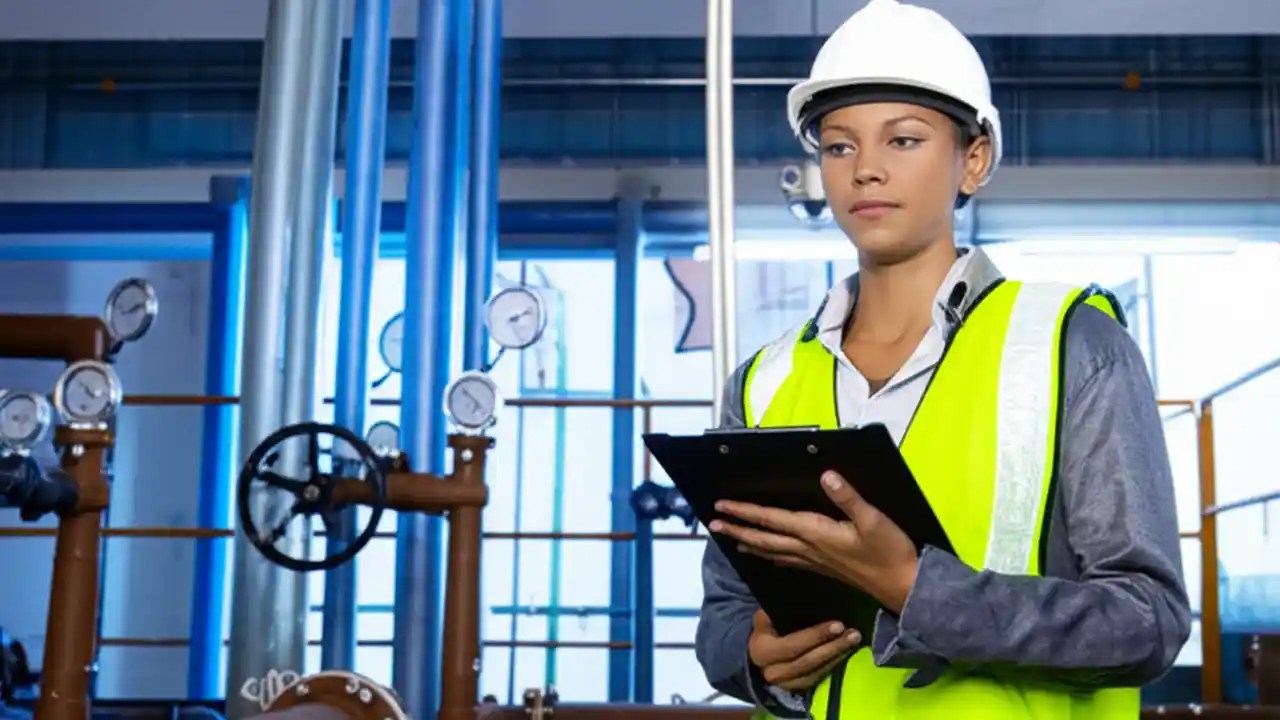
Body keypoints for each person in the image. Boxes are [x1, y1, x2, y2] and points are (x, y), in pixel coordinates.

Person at [693, 0, 1192, 717]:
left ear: (974, 159)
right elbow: (722, 614)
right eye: (839, 146)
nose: (866, 170)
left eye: (903, 140)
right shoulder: (764, 382)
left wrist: (913, 588)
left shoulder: (1070, 344)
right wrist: (750, 659)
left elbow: (1148, 622)